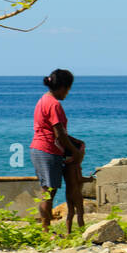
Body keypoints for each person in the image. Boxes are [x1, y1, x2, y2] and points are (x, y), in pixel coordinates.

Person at [31, 69, 85, 232]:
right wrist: (75, 152)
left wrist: (74, 142)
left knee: (47, 190)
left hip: (39, 148)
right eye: (68, 89)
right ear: (63, 87)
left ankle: (45, 228)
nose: (68, 93)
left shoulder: (43, 100)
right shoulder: (54, 104)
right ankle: (46, 230)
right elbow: (59, 133)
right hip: (47, 150)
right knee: (49, 192)